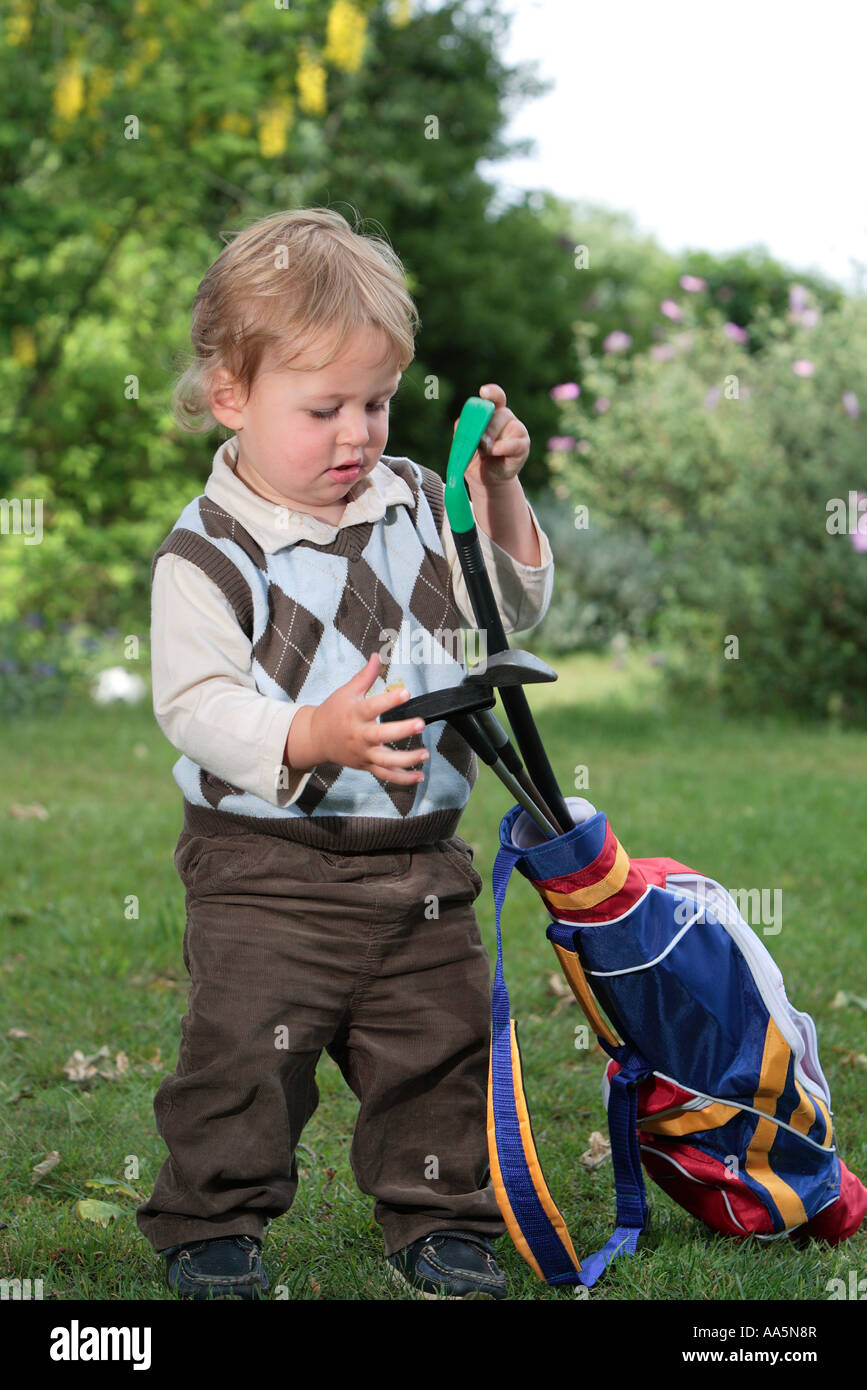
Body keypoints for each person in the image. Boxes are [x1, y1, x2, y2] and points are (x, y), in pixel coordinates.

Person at [136, 206, 554, 1300]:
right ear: (232, 394)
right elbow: (193, 703)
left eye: (373, 402)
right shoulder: (208, 551)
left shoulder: (417, 500)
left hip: (419, 860)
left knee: (441, 1045)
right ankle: (212, 1221)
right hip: (264, 868)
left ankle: (440, 1219)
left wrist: (498, 495)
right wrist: (305, 732)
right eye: (321, 409)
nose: (357, 434)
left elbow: (497, 615)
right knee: (243, 1054)